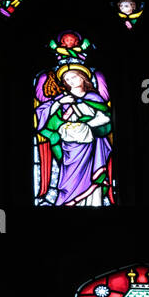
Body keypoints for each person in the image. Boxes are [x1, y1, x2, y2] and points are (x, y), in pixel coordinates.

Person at [35, 64, 113, 206]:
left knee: (92, 178)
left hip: (91, 148)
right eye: (67, 79)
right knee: (68, 182)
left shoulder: (93, 97)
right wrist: (59, 102)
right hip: (69, 148)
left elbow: (106, 117)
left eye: (73, 77)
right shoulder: (62, 98)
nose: (70, 81)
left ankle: (93, 204)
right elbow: (44, 119)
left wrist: (88, 122)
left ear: (83, 77)